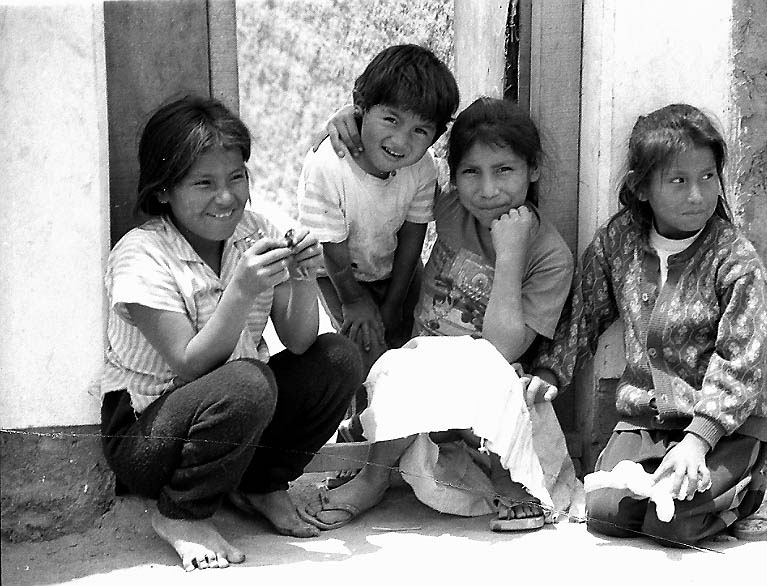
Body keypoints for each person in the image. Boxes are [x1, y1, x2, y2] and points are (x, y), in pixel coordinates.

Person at [97, 95, 363, 571]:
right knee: (247, 381)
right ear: (163, 192)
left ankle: (261, 485)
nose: (227, 197)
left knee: (337, 357)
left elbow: (300, 341)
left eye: (237, 177)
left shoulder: (254, 231)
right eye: (204, 183)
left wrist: (303, 274)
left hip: (237, 416)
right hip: (150, 440)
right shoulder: (140, 256)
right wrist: (239, 290)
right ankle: (181, 513)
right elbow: (189, 363)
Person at [300, 97, 575, 531]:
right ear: (453, 175)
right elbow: (385, 159)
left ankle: (504, 477)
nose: (487, 191)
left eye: (504, 170)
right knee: (406, 369)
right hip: (420, 371)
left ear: (533, 169)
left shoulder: (549, 256)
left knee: (507, 391)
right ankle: (374, 479)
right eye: (471, 172)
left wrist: (510, 253)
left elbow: (502, 348)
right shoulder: (449, 208)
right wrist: (343, 123)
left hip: (489, 389)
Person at [531, 103, 767, 547]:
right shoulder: (618, 241)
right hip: (645, 420)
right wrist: (552, 371)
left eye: (707, 177)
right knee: (606, 514)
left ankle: (750, 491)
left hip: (720, 427)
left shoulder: (736, 260)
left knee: (675, 526)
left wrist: (699, 440)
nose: (697, 195)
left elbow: (740, 361)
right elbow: (584, 313)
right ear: (641, 188)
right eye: (678, 181)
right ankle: (698, 489)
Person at [296, 44, 459, 384]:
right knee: (365, 356)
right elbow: (331, 249)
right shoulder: (328, 165)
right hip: (337, 274)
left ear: (437, 136)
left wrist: (395, 301)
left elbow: (414, 235)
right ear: (360, 105)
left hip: (393, 265)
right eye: (390, 119)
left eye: (420, 131)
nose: (400, 141)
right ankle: (363, 427)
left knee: (416, 339)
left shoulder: (422, 168)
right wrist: (355, 301)